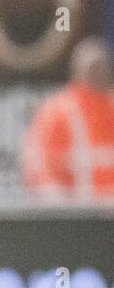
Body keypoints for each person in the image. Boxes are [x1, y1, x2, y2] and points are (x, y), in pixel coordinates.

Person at [20, 36, 114, 199]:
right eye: (93, 68)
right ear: (76, 71)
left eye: (103, 67)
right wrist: (59, 205)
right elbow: (36, 163)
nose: (99, 74)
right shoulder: (58, 112)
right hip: (77, 215)